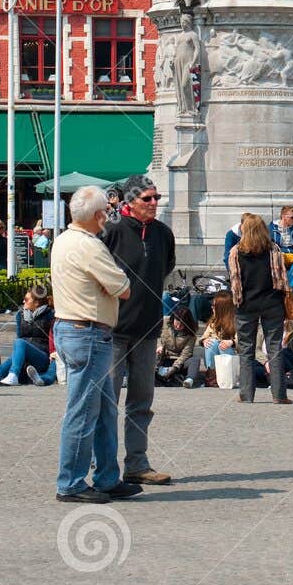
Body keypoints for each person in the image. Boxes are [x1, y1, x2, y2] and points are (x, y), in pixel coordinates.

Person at [51, 185, 138, 504]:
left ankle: (105, 477)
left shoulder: (62, 240)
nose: (109, 217)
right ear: (99, 215)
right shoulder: (90, 246)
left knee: (101, 410)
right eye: (107, 212)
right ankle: (71, 482)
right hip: (88, 333)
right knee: (84, 410)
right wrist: (113, 285)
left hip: (72, 329)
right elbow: (123, 288)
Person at [100, 174, 178, 486]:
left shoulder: (163, 233)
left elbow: (166, 266)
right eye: (147, 198)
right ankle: (103, 468)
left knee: (141, 402)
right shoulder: (111, 231)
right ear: (130, 201)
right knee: (106, 402)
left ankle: (137, 463)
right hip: (113, 329)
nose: (154, 203)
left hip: (148, 329)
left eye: (156, 198)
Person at [228, 213, 293, 404]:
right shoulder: (273, 249)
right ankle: (279, 395)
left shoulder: (236, 251)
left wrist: (237, 300)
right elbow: (282, 277)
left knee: (246, 349)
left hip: (246, 304)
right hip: (272, 303)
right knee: (275, 349)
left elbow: (234, 281)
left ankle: (246, 395)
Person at [0, 284, 57, 386]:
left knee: (20, 343)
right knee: (19, 343)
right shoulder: (20, 315)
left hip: (42, 356)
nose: (23, 302)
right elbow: (19, 336)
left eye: (26, 299)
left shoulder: (50, 315)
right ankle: (0, 374)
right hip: (24, 354)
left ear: (37, 303)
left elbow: (53, 338)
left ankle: (7, 374)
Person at [156, 304, 202, 387]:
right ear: (174, 318)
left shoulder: (191, 334)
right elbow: (156, 337)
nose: (178, 326)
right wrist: (160, 346)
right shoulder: (164, 322)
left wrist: (174, 368)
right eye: (177, 323)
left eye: (182, 325)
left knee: (195, 360)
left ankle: (189, 380)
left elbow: (186, 354)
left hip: (179, 362)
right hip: (163, 358)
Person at [198, 292, 238, 384]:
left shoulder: (236, 321)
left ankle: (225, 375)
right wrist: (204, 341)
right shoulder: (214, 320)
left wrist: (231, 342)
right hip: (215, 350)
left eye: (214, 306)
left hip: (232, 353)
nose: (212, 307)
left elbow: (241, 340)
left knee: (222, 345)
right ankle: (211, 374)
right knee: (211, 343)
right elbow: (204, 336)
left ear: (222, 308)